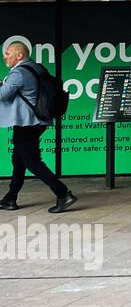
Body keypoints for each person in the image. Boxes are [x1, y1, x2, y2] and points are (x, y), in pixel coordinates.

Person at [0, 41, 76, 213]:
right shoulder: (36, 67)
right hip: (36, 122)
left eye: (8, 53)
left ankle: (63, 194)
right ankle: (10, 198)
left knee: (32, 161)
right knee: (18, 159)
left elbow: (2, 95)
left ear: (19, 55)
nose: (5, 56)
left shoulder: (19, 72)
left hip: (28, 123)